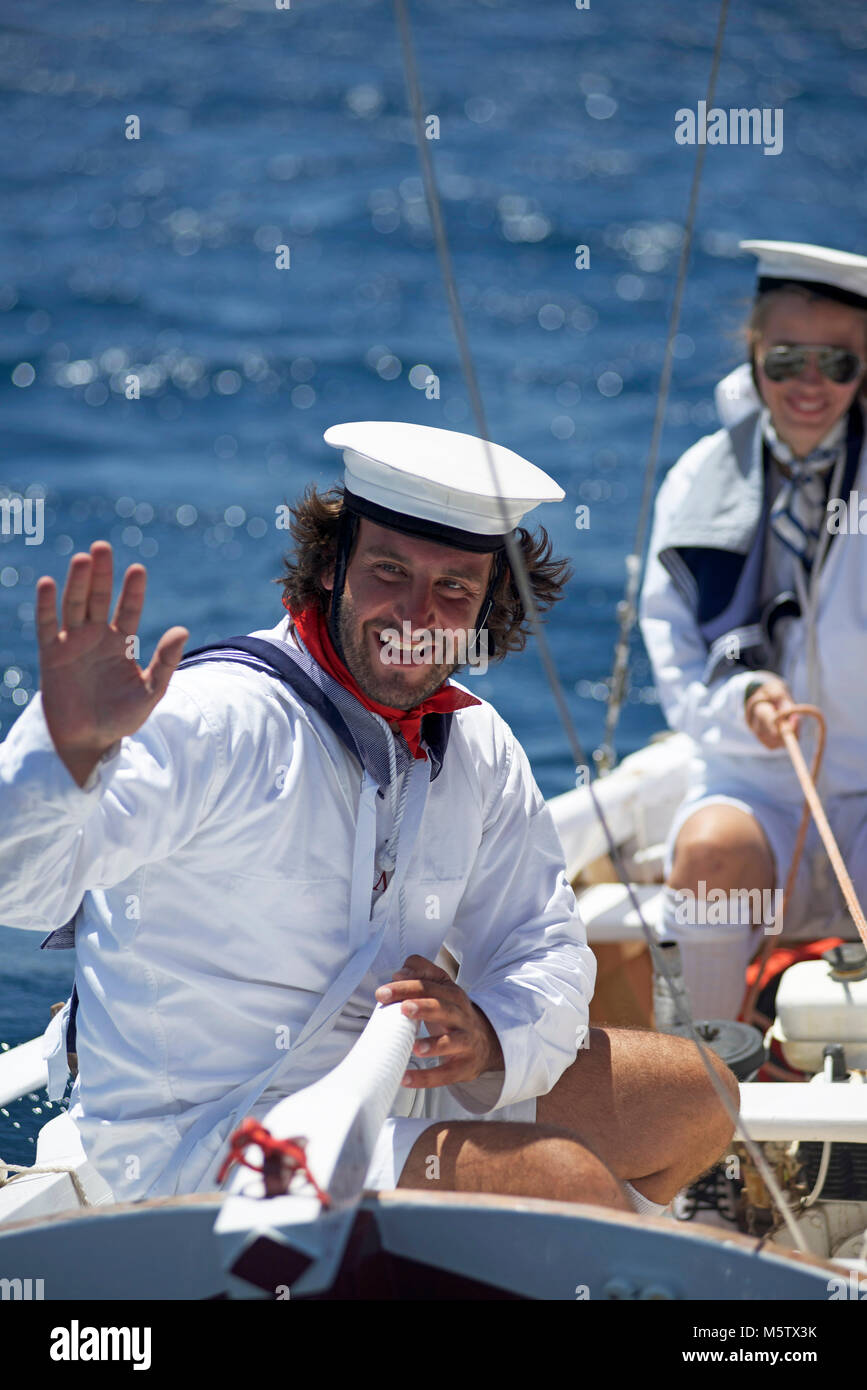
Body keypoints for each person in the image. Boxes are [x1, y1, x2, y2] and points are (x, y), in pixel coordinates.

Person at [0, 421, 737, 1217]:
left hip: (396, 1091)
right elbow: (21, 890)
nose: (419, 611)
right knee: (560, 1184)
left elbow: (542, 949)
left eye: (455, 587)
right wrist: (61, 760)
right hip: (199, 1146)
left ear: (491, 605)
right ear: (329, 565)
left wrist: (490, 1034)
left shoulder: (478, 744)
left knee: (701, 1096)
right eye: (390, 570)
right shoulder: (214, 717)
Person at [640, 242, 867, 1021]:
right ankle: (708, 1100)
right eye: (786, 360)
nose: (810, 384)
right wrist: (737, 703)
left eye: (837, 364)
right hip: (752, 783)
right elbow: (672, 651)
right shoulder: (697, 478)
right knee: (708, 854)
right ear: (753, 356)